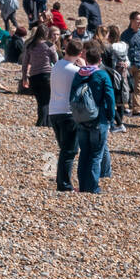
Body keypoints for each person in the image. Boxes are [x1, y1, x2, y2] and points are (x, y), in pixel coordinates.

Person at [71, 40, 116, 193]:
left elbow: (72, 95)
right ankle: (93, 187)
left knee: (84, 153)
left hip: (82, 119)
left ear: (87, 59)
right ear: (100, 60)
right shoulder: (102, 75)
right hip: (98, 119)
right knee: (96, 155)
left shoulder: (79, 74)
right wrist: (111, 117)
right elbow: (110, 98)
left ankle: (83, 186)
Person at [47, 38, 83, 191]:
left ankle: (62, 181)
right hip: (68, 112)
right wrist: (84, 66)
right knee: (69, 151)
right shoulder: (75, 71)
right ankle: (64, 184)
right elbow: (85, 82)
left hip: (54, 110)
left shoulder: (57, 66)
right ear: (80, 53)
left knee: (64, 149)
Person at [21, 23, 59, 127]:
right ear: (46, 34)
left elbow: (25, 64)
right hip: (47, 75)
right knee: (48, 100)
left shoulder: (30, 46)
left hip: (34, 76)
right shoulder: (50, 45)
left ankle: (42, 121)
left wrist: (24, 78)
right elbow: (56, 62)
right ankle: (46, 123)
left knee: (40, 101)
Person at [120, 11, 140, 116]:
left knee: (138, 87)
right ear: (131, 20)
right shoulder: (125, 34)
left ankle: (137, 108)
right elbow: (122, 50)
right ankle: (125, 106)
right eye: (138, 19)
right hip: (128, 65)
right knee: (126, 86)